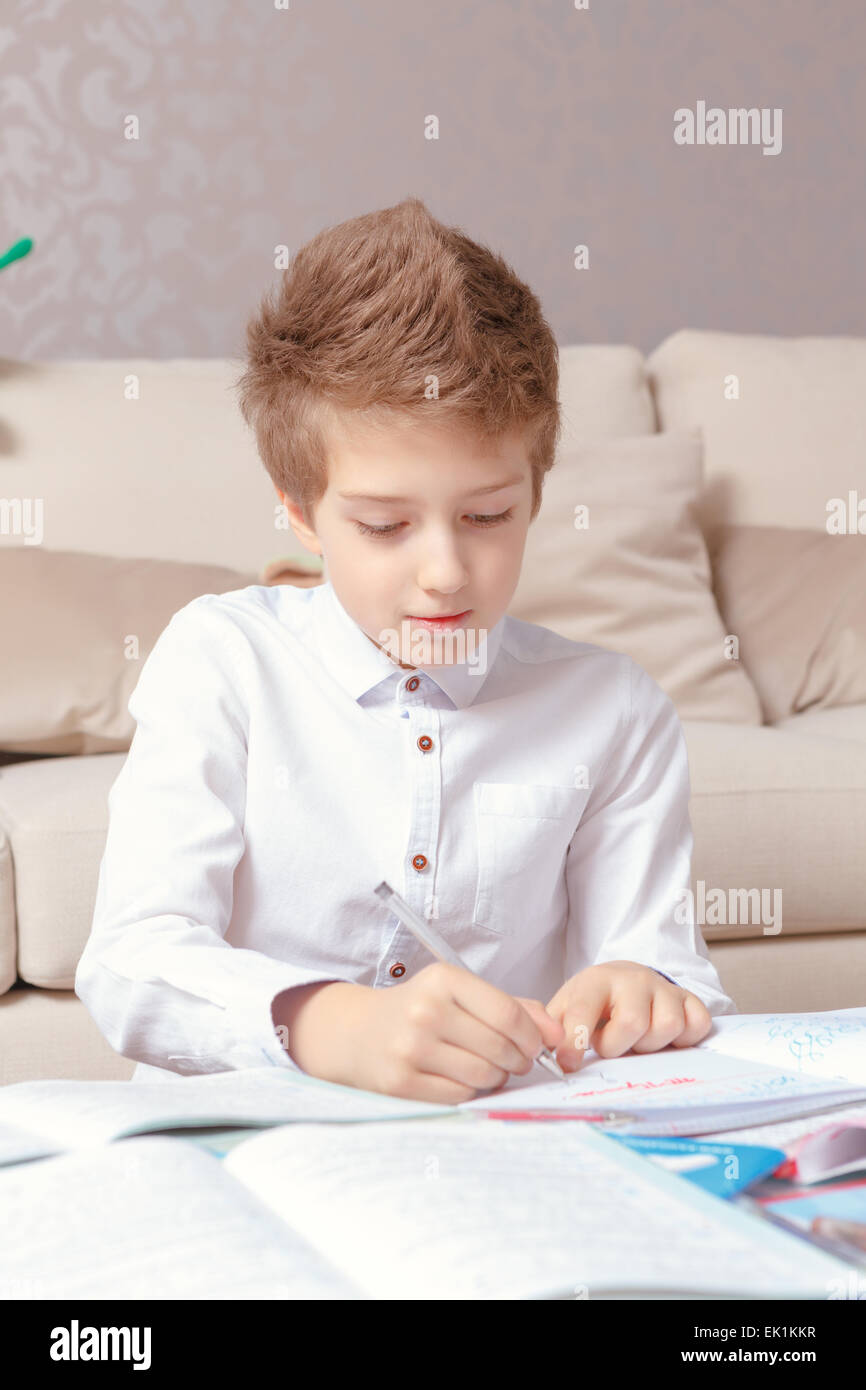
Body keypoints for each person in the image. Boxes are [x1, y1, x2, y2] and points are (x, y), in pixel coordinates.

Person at [75, 196, 735, 1104]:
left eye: (488, 516)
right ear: (302, 512)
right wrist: (328, 1023)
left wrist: (644, 995)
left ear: (536, 494)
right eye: (385, 524)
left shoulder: (614, 710)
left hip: (497, 1154)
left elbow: (669, 976)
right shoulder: (221, 660)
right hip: (250, 1139)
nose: (445, 574)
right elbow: (132, 962)